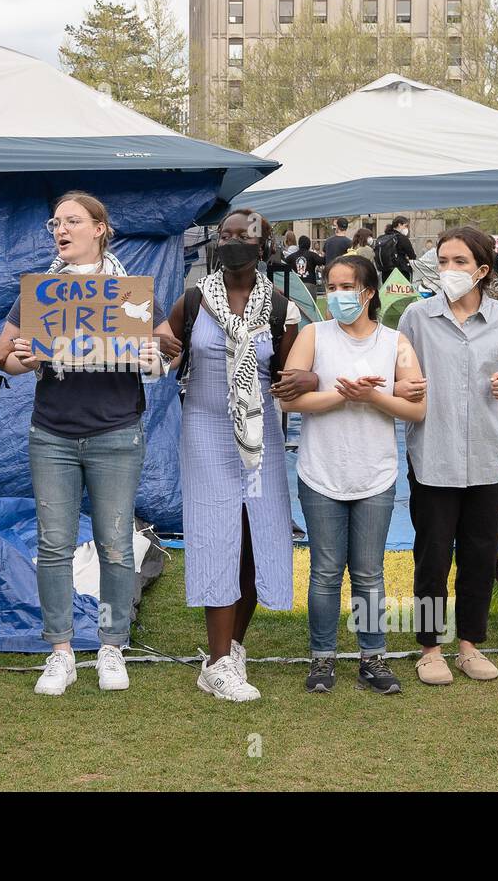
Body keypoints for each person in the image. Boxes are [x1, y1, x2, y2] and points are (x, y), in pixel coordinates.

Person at [0, 191, 167, 696]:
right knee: (53, 544)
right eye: (55, 223)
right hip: (52, 433)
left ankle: (111, 647)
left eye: (72, 221)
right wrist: (21, 359)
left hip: (117, 432)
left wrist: (150, 355)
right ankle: (61, 652)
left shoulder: (129, 292)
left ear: (100, 229)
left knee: (116, 544)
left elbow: (162, 358)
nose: (60, 230)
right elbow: (1, 357)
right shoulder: (41, 292)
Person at [167, 208, 301, 701]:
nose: (232, 241)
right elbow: (167, 347)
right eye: (225, 234)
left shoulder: (280, 306)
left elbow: (289, 374)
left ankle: (233, 648)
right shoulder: (194, 300)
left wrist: (303, 378)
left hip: (259, 433)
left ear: (264, 245)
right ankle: (217, 661)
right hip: (204, 429)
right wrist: (160, 347)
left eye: (243, 235)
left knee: (253, 536)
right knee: (215, 534)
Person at [280, 256, 425, 694]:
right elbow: (288, 400)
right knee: (325, 571)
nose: (336, 295)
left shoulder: (395, 342)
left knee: (369, 573)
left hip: (376, 475)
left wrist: (374, 396)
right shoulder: (312, 334)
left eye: (346, 286)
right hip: (320, 471)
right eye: (330, 285)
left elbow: (417, 408)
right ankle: (321, 659)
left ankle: (372, 658)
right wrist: (342, 397)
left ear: (368, 292)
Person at [396, 227, 498, 685]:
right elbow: (397, 371)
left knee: (480, 553)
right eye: (443, 260)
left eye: (459, 261)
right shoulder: (417, 316)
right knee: (432, 555)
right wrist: (402, 386)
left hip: (489, 451)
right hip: (433, 451)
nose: (449, 270)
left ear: (482, 270)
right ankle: (431, 648)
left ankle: (470, 646)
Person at [375, 217, 416, 283]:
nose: (407, 229)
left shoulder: (382, 238)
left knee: (388, 292)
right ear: (399, 225)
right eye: (406, 226)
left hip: (386, 272)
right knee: (402, 293)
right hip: (402, 272)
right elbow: (412, 256)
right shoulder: (402, 238)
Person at [289, 232, 324, 296]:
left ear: (299, 244)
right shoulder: (312, 255)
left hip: (297, 284)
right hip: (310, 284)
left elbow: (283, 265)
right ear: (309, 245)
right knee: (311, 305)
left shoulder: (292, 257)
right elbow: (322, 261)